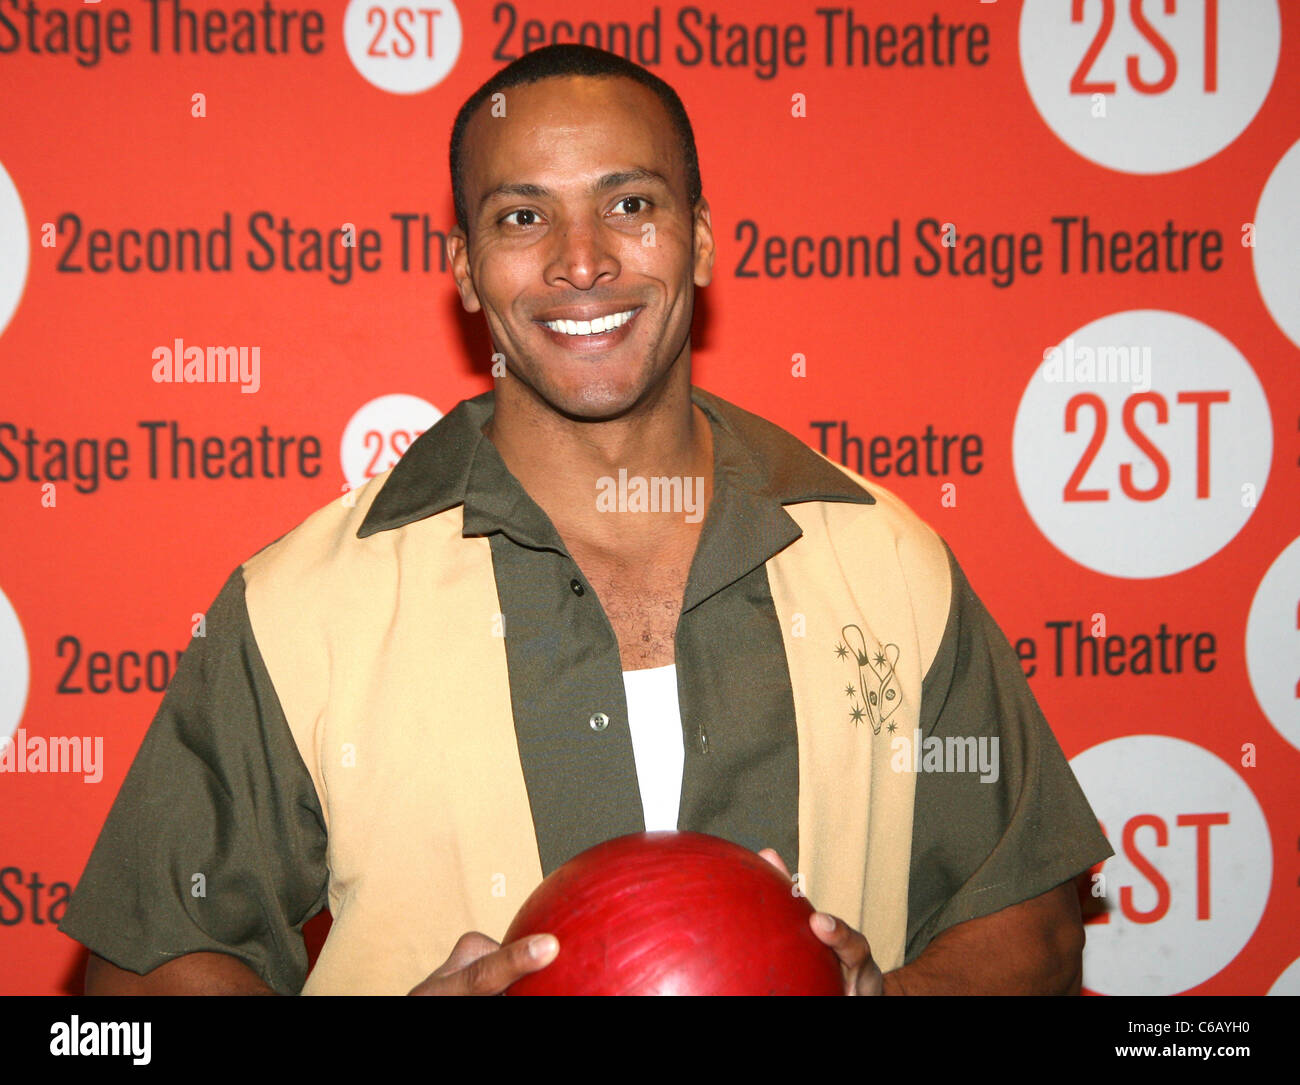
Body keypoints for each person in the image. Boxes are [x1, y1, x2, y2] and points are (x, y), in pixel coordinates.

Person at [58, 44, 1112, 996]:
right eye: (522, 216)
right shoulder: (301, 606)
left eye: (629, 204)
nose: (581, 261)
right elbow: (135, 992)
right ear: (467, 269)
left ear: (698, 242)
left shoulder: (886, 558)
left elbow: (1028, 925)